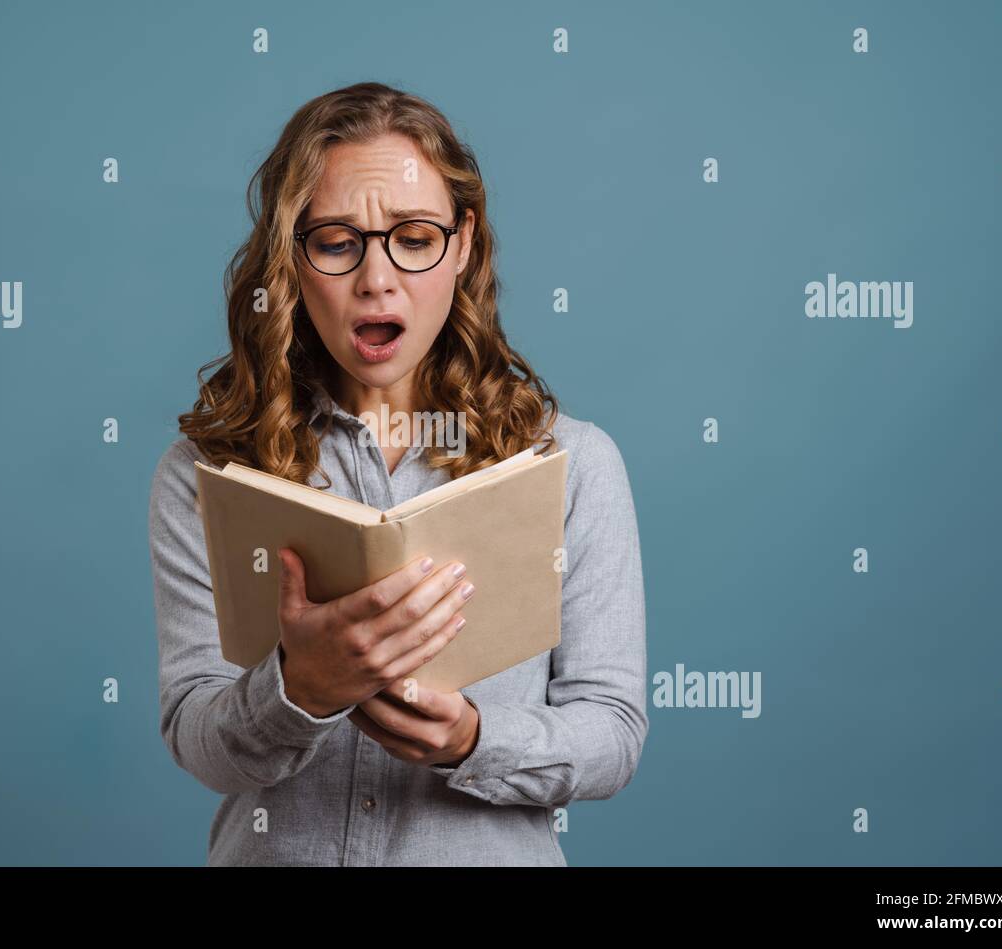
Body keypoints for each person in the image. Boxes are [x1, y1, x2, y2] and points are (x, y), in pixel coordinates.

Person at [149, 81, 648, 866]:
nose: (376, 280)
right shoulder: (209, 473)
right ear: (291, 256)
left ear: (464, 245)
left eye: (413, 237)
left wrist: (473, 739)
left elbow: (612, 731)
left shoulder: (574, 465)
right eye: (338, 241)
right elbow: (198, 737)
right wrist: (297, 690)